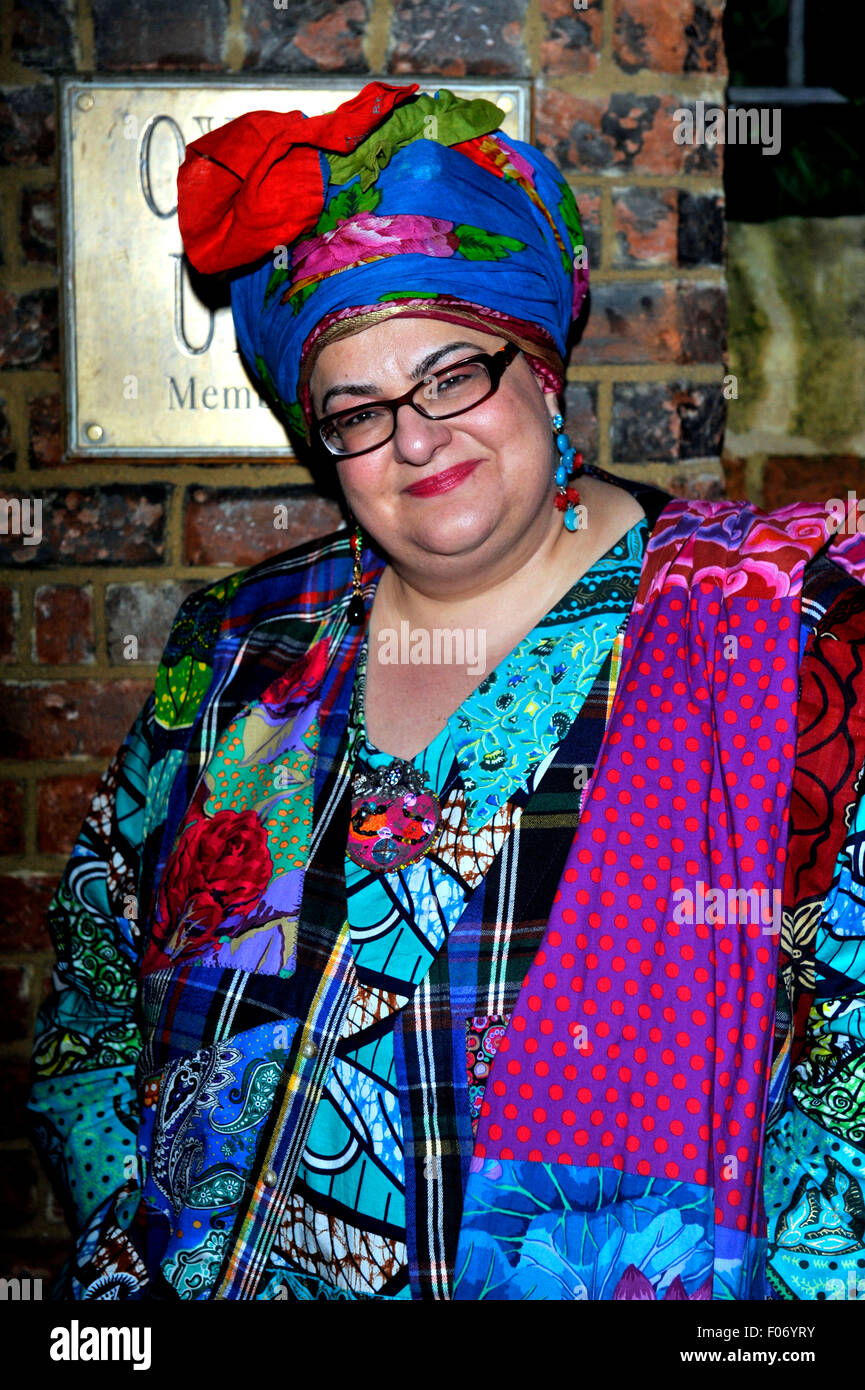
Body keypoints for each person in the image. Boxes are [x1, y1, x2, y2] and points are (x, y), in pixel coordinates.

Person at [28, 80, 865, 1302]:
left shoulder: (775, 637)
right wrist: (137, 1253)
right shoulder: (238, 650)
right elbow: (95, 992)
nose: (415, 439)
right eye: (355, 411)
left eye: (450, 375)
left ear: (537, 366)